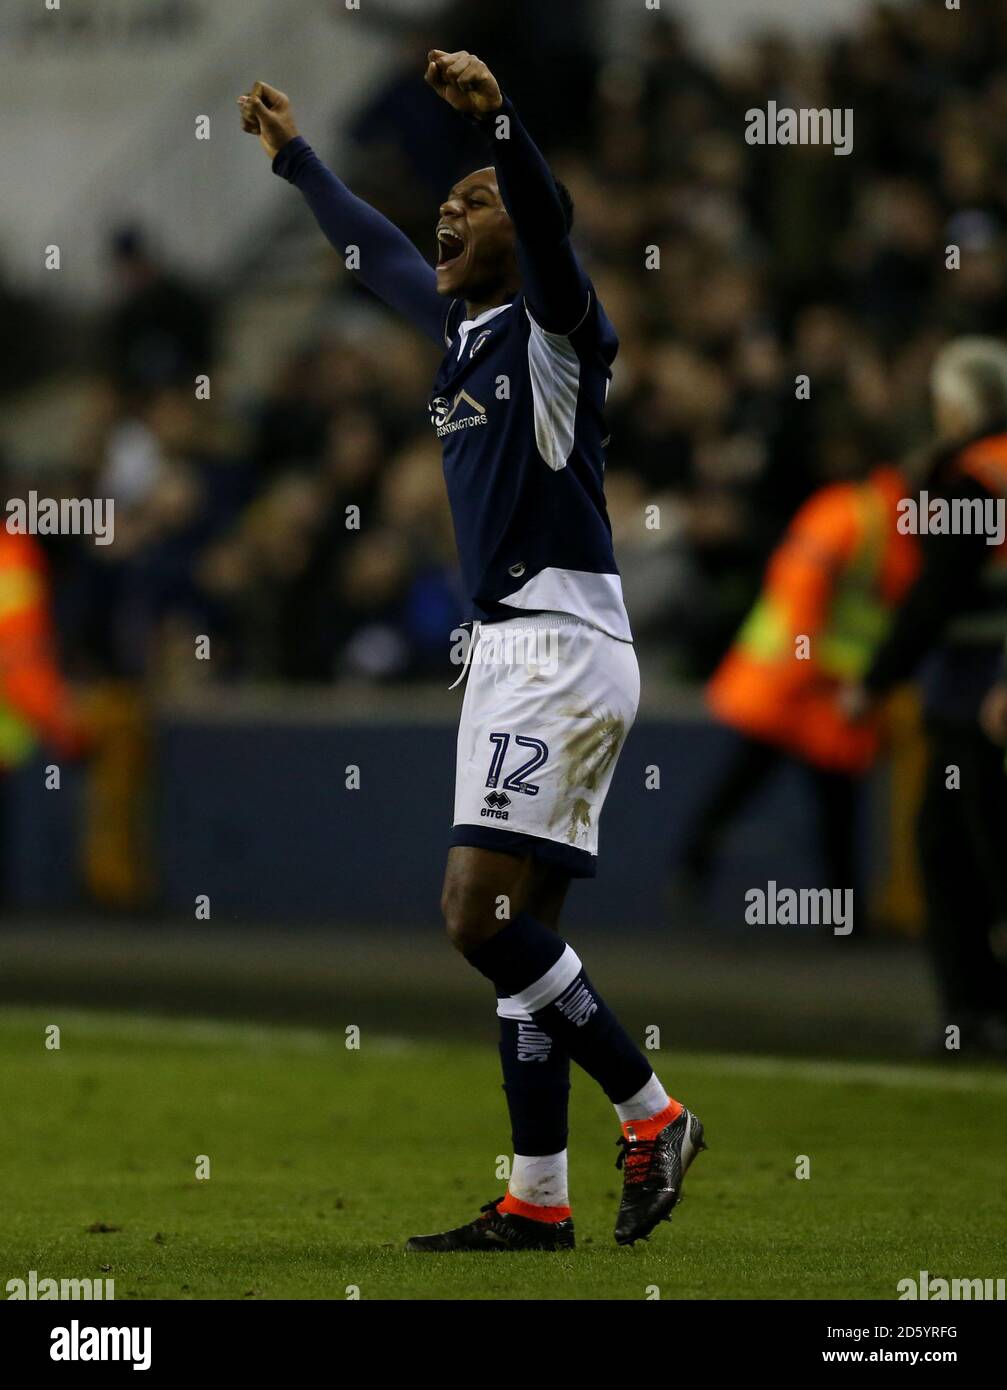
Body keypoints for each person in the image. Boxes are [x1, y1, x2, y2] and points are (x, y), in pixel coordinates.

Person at [238, 50, 705, 1251]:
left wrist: (504, 125)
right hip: (516, 648)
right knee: (518, 941)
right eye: (445, 203)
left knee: (474, 916)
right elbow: (372, 252)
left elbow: (545, 221)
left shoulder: (557, 330)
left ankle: (651, 1114)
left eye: (474, 203)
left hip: (554, 641)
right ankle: (535, 1199)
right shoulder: (459, 330)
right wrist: (296, 161)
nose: (448, 216)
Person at [845, 339, 1007, 1054]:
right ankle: (973, 1011)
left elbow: (934, 596)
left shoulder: (965, 476)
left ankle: (973, 1011)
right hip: (977, 689)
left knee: (963, 853)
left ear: (958, 406)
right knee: (954, 847)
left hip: (976, 693)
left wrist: (874, 679)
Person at [681, 460, 919, 906]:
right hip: (797, 687)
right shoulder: (855, 519)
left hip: (818, 688)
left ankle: (841, 916)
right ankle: (843, 918)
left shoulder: (879, 522)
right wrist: (813, 674)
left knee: (822, 800)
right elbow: (801, 593)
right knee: (813, 799)